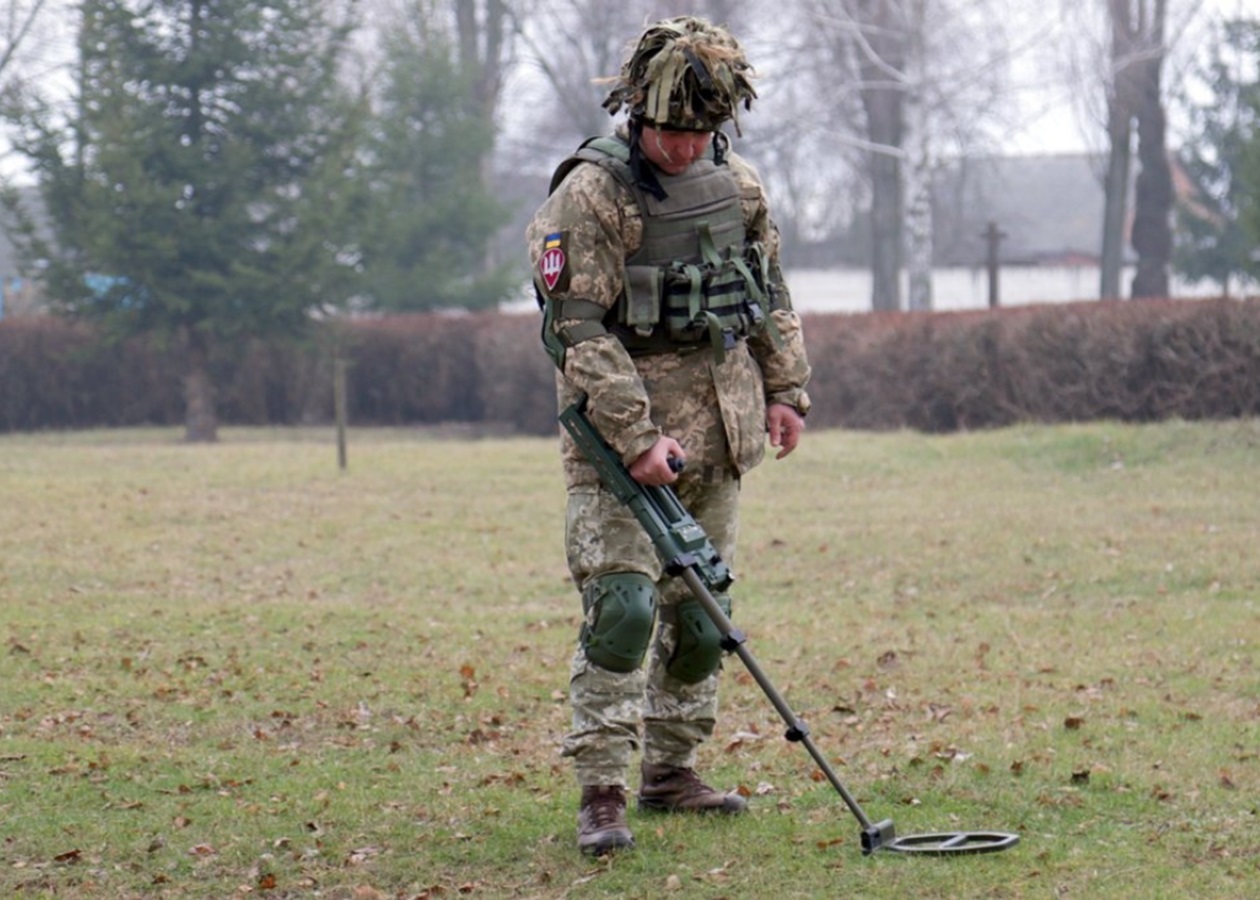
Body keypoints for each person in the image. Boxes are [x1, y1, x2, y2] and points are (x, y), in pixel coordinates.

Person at [526, 15, 812, 857]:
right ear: (637, 114)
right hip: (620, 454)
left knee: (700, 618)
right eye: (670, 131)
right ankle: (603, 791)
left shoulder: (739, 186)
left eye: (701, 132)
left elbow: (768, 289)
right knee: (623, 609)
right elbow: (575, 329)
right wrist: (638, 436)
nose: (685, 148)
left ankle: (671, 771)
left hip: (718, 436)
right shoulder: (590, 195)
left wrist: (787, 388)